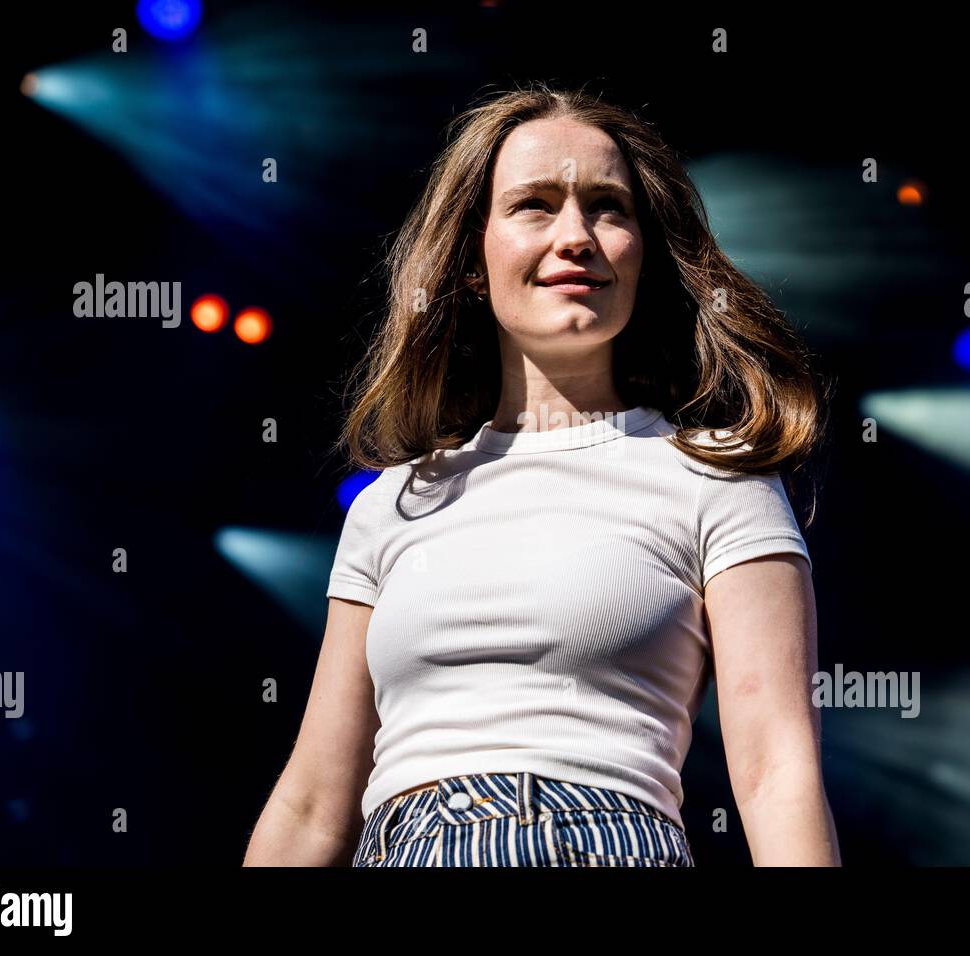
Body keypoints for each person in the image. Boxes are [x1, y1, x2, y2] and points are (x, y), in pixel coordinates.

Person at [243, 82, 840, 867]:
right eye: (535, 205)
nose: (577, 236)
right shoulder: (393, 504)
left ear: (644, 254)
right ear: (473, 260)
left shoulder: (717, 479)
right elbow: (312, 805)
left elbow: (776, 774)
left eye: (608, 207)